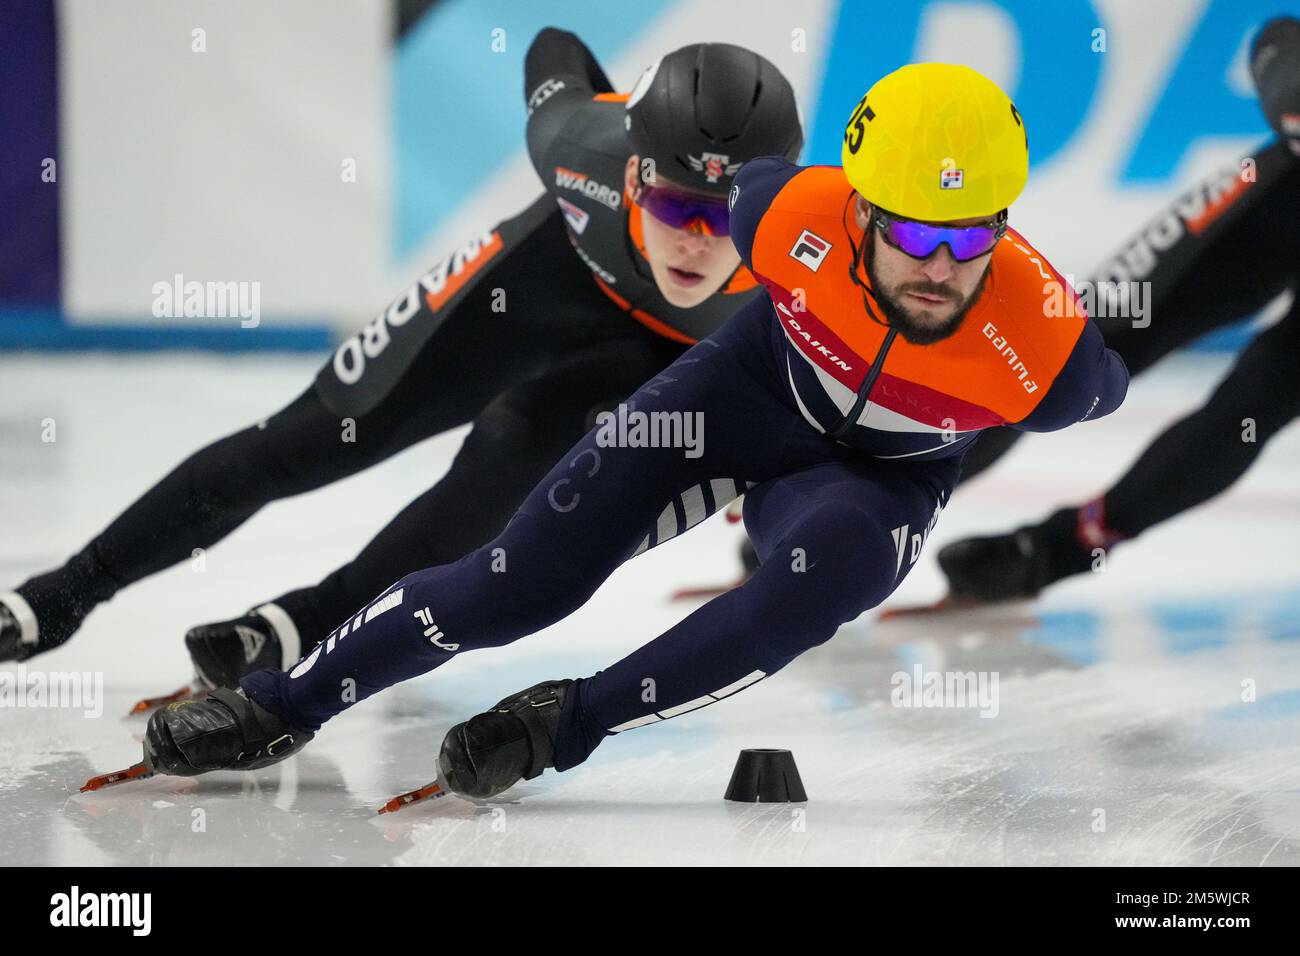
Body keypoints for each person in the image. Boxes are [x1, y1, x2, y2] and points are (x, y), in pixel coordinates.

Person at [137, 63, 1129, 799]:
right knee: (511, 585)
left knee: (838, 564)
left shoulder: (1047, 354)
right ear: (858, 204)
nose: (939, 266)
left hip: (876, 479)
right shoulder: (783, 212)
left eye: (969, 238)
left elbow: (1109, 370)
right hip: (739, 396)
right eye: (912, 232)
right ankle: (279, 708)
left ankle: (566, 718)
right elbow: (647, 153)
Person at [0, 29, 803, 687]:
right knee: (315, 435)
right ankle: (57, 596)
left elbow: (839, 402)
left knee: (505, 463)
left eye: (723, 220)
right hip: (539, 279)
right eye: (671, 203)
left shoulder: (803, 262)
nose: (697, 243)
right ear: (630, 175)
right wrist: (610, 100)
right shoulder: (574, 143)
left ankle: (303, 623)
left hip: (660, 358)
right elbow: (553, 45)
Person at [937, 15, 1300, 603]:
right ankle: (871, 486)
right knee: (1074, 343)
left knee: (1259, 397)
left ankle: (1057, 550)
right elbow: (1278, 41)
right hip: (1285, 188)